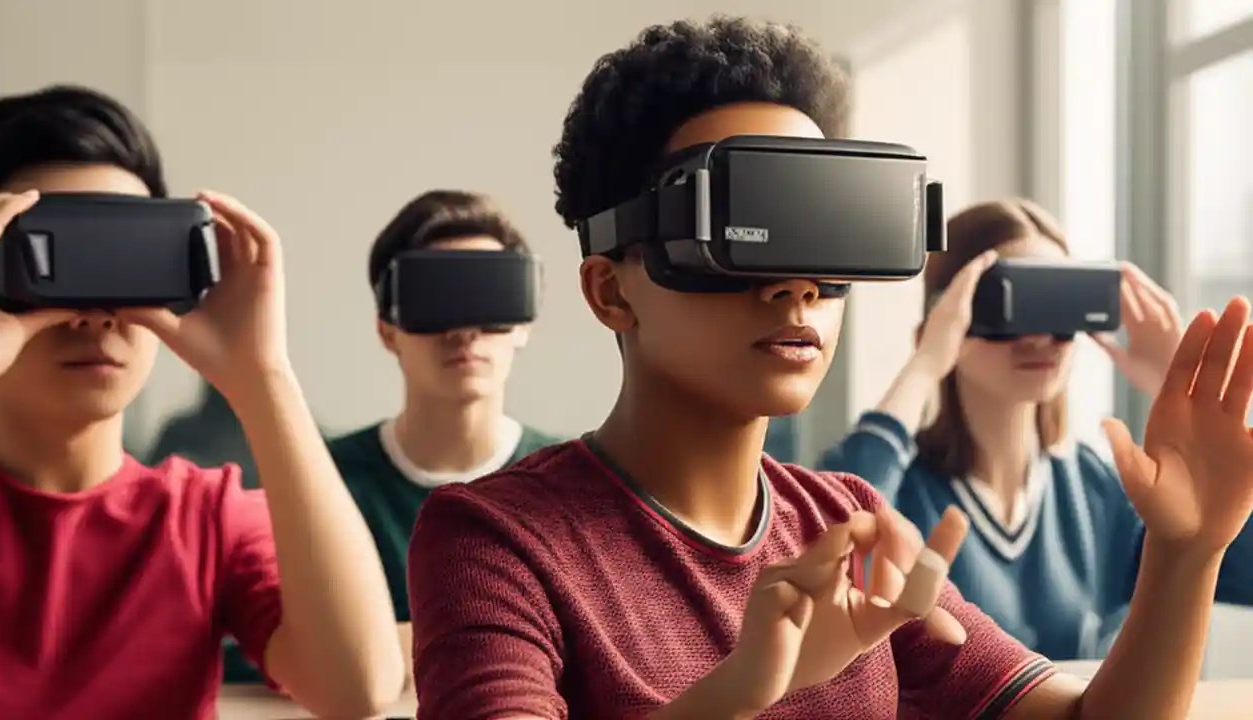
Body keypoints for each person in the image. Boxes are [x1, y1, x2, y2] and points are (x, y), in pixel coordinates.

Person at [405, 16, 1253, 719]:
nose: (796, 286)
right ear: (611, 291)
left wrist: (1187, 552)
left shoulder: (850, 525)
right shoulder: (494, 542)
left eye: (824, 235)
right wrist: (738, 695)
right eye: (745, 230)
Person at [0, 86, 402, 719]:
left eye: (123, 258)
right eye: (51, 263)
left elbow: (358, 686)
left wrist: (263, 376)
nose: (95, 315)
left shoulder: (206, 520)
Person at [820, 199, 1253, 660]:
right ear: (950, 317)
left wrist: (1184, 390)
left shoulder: (1098, 492)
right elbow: (821, 538)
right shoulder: (901, 490)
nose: (1040, 337)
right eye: (1013, 305)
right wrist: (924, 365)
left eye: (1058, 304)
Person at [321, 189, 560, 680]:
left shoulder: (571, 485)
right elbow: (263, 646)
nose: (464, 330)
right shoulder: (321, 482)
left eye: (489, 298)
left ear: (524, 325)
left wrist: (385, 643)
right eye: (436, 298)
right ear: (388, 330)